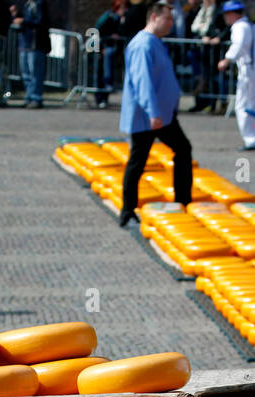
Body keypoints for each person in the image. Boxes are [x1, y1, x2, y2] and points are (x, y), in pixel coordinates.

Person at [118, 1, 190, 227]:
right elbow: (143, 82)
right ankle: (127, 211)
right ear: (154, 18)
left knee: (183, 149)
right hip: (149, 116)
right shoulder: (142, 45)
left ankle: (183, 200)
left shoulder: (156, 43)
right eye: (167, 19)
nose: (171, 23)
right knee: (137, 162)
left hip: (163, 115)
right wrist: (153, 112)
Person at [217, 1, 255, 150]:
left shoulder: (239, 27)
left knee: (242, 107)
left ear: (233, 14)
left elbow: (238, 45)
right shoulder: (253, 27)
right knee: (251, 105)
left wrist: (226, 60)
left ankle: (252, 140)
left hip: (250, 69)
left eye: (226, 14)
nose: (225, 18)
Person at [94, 0, 136, 108]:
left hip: (112, 50)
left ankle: (105, 97)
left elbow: (122, 32)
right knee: (101, 74)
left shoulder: (120, 19)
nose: (126, 11)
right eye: (124, 8)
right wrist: (99, 48)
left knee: (108, 67)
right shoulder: (107, 17)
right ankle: (100, 97)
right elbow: (96, 32)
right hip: (101, 49)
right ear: (118, 8)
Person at [10, 0, 50, 107]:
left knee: (35, 73)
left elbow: (39, 21)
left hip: (35, 43)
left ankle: (36, 98)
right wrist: (16, 16)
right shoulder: (27, 4)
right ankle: (29, 96)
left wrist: (23, 21)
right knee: (26, 73)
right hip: (25, 43)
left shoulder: (39, 3)